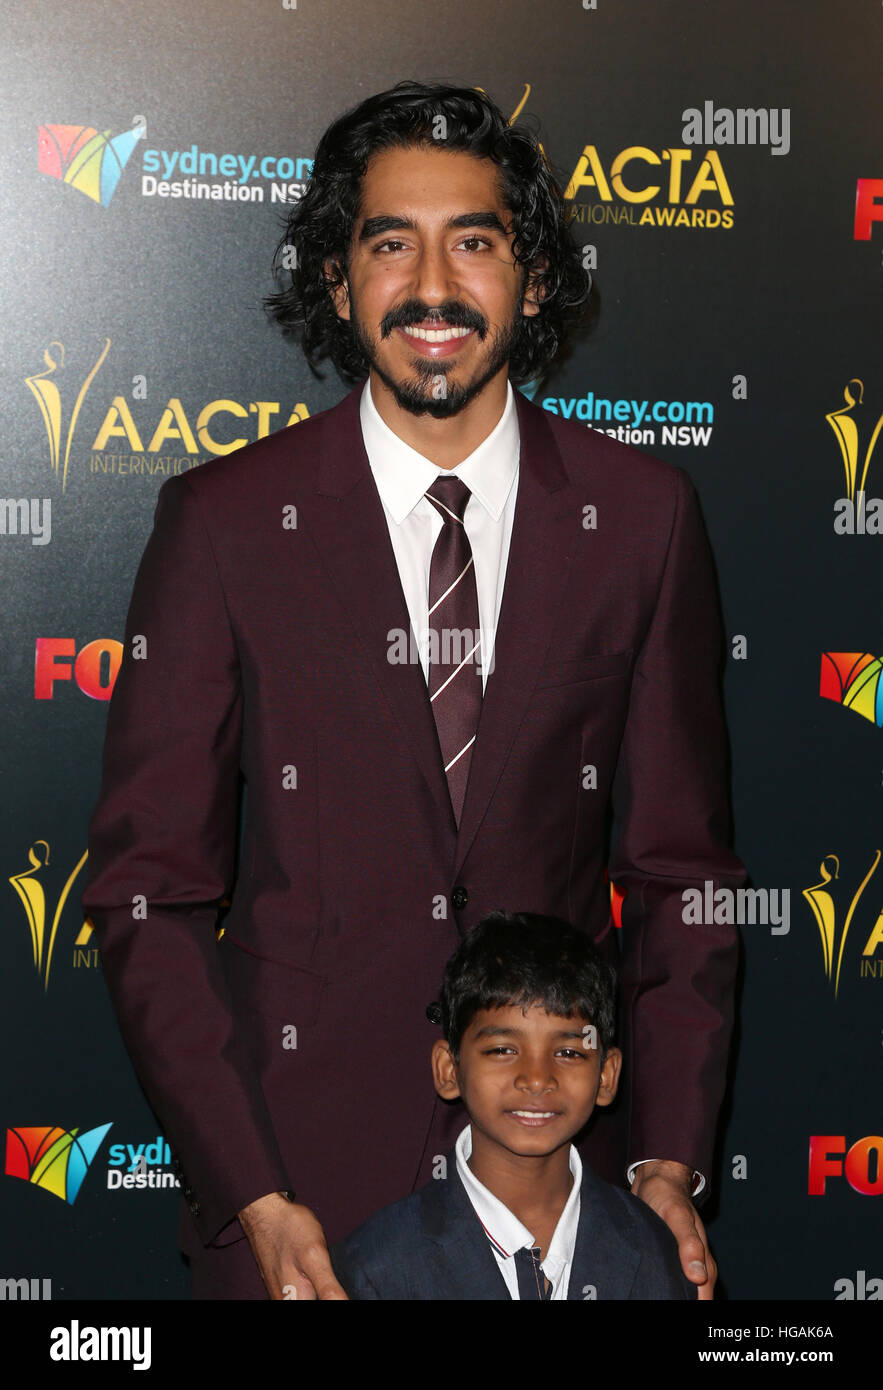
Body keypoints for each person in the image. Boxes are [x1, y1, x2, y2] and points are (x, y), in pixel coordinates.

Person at [81, 81, 746, 1302]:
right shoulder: (225, 524)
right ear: (337, 284)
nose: (431, 284)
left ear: (533, 277)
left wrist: (662, 1160)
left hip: (562, 1197)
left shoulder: (640, 520)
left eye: (475, 241)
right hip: (297, 1203)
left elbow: (681, 877)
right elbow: (146, 895)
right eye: (390, 241)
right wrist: (252, 1193)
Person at [332, 911, 696, 1300]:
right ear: (449, 1069)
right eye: (503, 1049)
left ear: (606, 1076)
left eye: (569, 1052)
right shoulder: (375, 1268)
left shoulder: (655, 1250)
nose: (537, 1079)